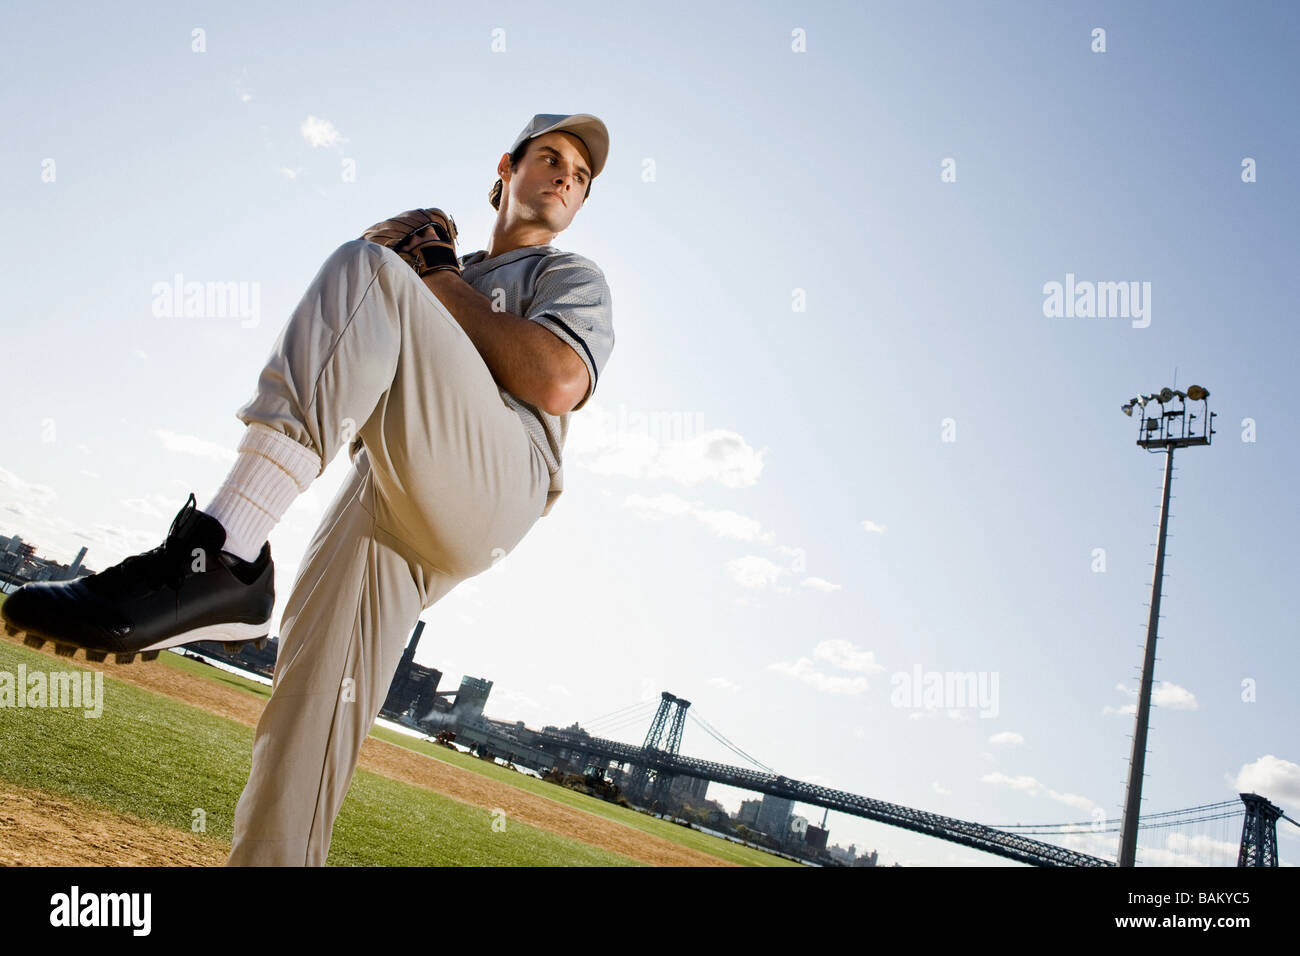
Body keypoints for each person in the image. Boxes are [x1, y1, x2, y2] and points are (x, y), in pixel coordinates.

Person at [1, 113, 615, 866]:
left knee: (369, 268)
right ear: (507, 168)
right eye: (550, 158)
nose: (564, 177)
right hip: (388, 487)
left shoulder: (567, 276)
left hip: (494, 481)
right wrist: (423, 280)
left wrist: (427, 275)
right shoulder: (450, 267)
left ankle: (220, 555)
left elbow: (555, 379)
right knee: (304, 727)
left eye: (581, 176)